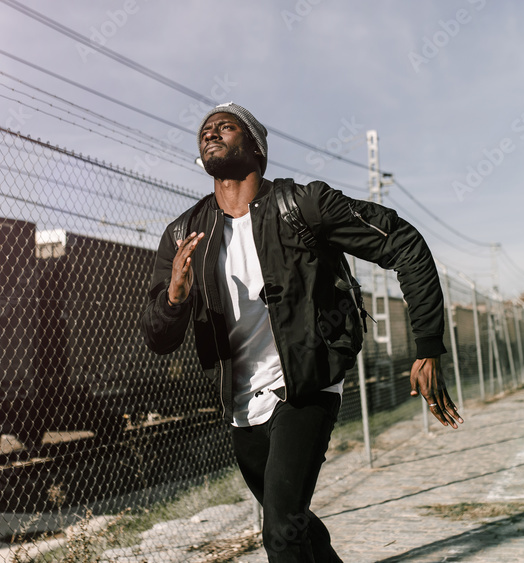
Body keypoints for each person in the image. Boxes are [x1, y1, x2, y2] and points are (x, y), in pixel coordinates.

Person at [140, 102, 462, 562]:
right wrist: (174, 297)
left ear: (254, 146)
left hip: (306, 384)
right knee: (294, 522)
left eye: (224, 127)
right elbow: (158, 338)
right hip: (240, 404)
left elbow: (403, 244)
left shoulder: (303, 204)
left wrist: (428, 346)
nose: (210, 132)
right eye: (205, 130)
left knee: (280, 532)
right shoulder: (184, 233)